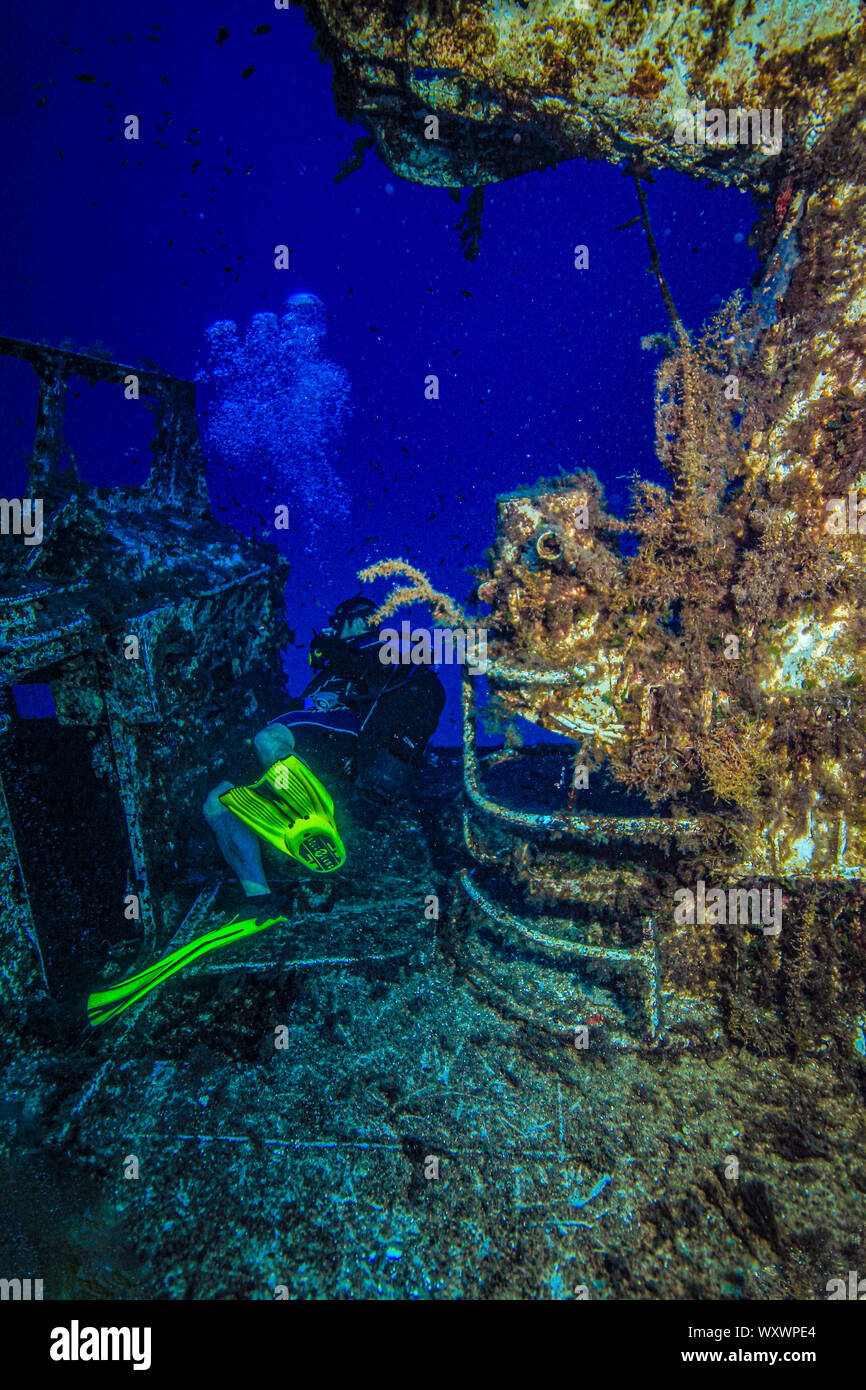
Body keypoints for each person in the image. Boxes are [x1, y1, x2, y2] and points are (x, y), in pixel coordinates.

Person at [202, 595, 444, 906]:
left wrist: (333, 648)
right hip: (304, 733)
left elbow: (369, 666)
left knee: (268, 741)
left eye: (337, 624)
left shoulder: (375, 644)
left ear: (357, 620)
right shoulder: (339, 664)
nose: (332, 630)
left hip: (337, 726)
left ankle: (311, 817)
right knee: (217, 801)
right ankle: (258, 899)